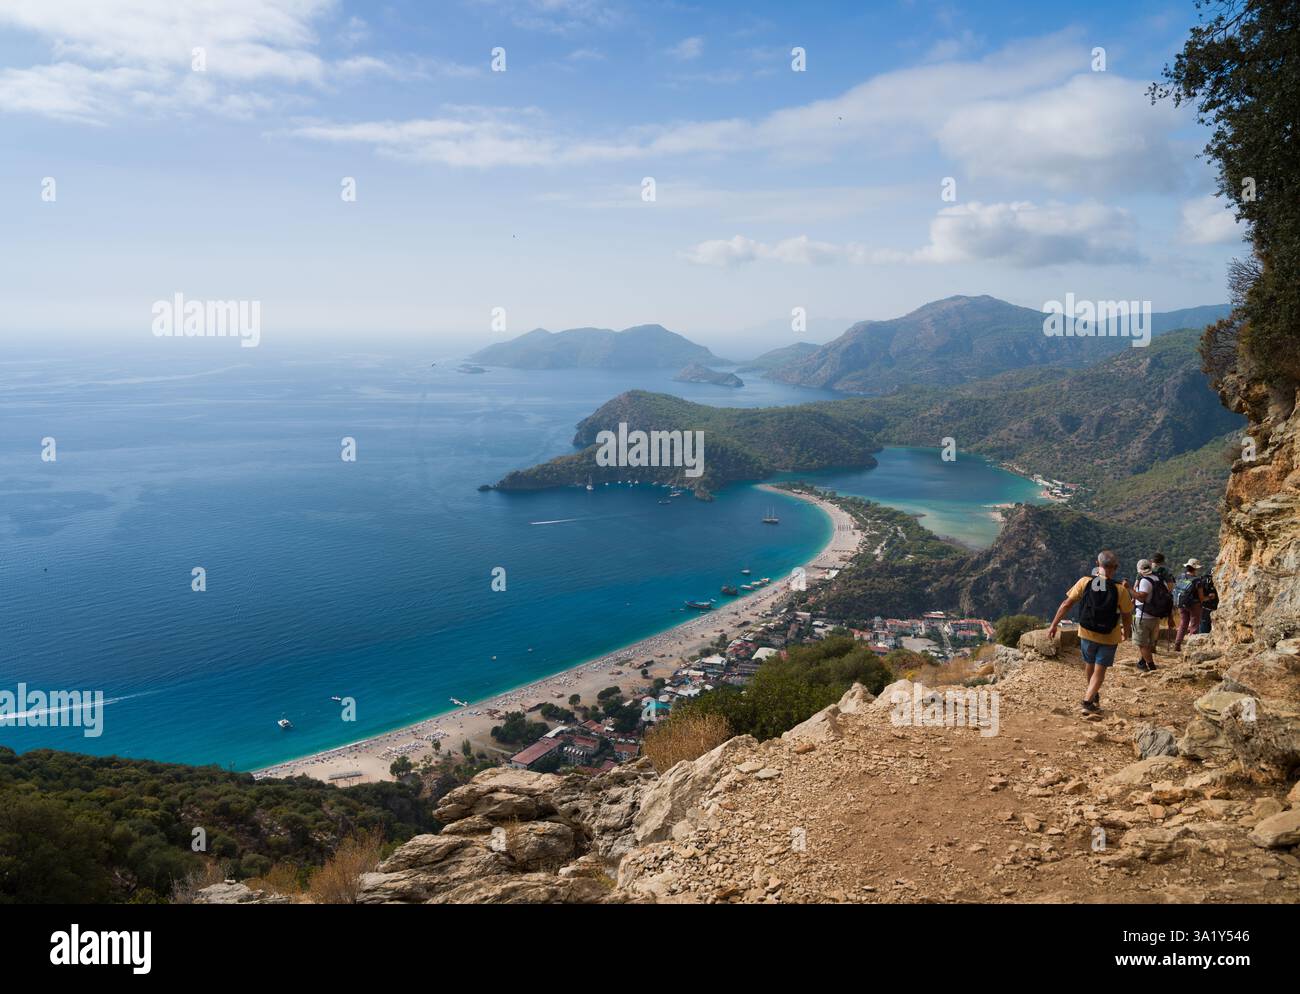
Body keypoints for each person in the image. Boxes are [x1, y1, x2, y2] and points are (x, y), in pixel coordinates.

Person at [1047, 550, 1134, 713]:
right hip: (1109, 635)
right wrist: (1126, 631)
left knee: (1089, 664)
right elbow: (1127, 615)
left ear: (1097, 564)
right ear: (1116, 567)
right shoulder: (1120, 590)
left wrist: (1053, 625)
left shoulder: (1085, 581)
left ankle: (1092, 694)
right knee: (1100, 669)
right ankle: (1088, 702)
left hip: (1086, 632)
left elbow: (1066, 604)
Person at [1131, 559, 1173, 672]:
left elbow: (1141, 596)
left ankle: (1151, 666)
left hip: (1143, 616)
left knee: (1142, 644)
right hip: (1155, 616)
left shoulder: (1145, 581)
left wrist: (1129, 589)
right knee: (1149, 642)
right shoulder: (1159, 579)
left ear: (1139, 570)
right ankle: (1141, 662)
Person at [1172, 558, 1207, 651]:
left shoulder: (1181, 576)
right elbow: (1201, 598)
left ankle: (1177, 643)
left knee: (1183, 623)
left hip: (1181, 603)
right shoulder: (1197, 581)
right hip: (1194, 605)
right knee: (1194, 625)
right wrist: (1210, 597)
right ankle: (1191, 648)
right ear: (1195, 568)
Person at [1151, 553, 1176, 635]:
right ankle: (1170, 620)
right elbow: (1170, 586)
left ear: (1152, 560)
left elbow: (1136, 585)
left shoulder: (1144, 569)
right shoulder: (1164, 571)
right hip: (1159, 597)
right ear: (1162, 561)